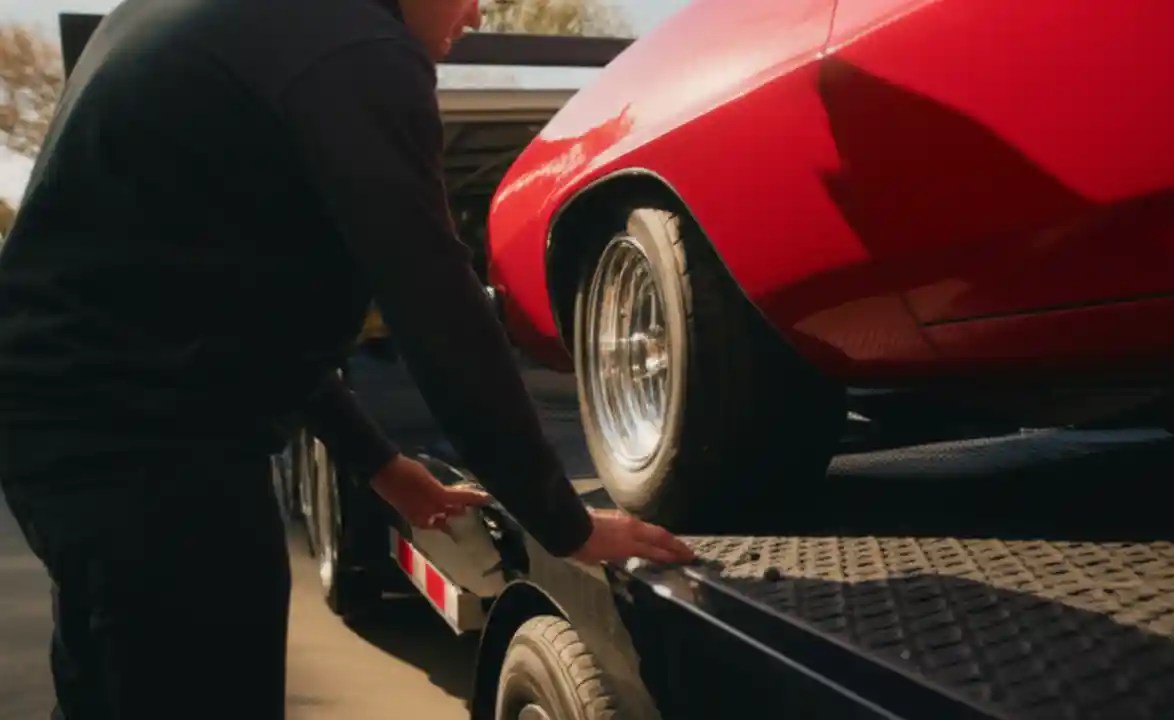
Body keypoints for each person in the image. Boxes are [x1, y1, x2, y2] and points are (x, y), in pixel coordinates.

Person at [0, 0, 695, 717]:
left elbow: (227, 308)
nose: (479, 11)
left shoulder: (248, 22)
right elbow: (434, 304)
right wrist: (565, 525)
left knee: (115, 689)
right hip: (148, 452)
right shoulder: (352, 48)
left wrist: (381, 465)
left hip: (77, 432)